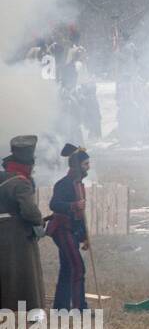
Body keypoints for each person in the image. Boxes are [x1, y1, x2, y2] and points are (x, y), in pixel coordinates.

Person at [0, 135, 47, 315]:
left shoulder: (4, 177)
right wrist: (39, 221)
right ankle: (26, 311)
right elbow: (29, 211)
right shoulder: (21, 182)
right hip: (17, 234)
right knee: (24, 274)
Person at [48, 143, 91, 310]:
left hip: (71, 230)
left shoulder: (79, 184)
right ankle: (80, 308)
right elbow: (54, 204)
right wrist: (73, 205)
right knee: (77, 267)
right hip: (61, 229)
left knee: (67, 268)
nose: (88, 166)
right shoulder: (64, 184)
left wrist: (85, 235)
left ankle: (60, 307)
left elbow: (81, 216)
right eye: (85, 164)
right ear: (77, 165)